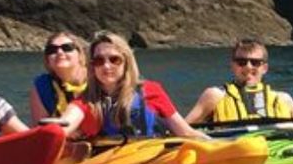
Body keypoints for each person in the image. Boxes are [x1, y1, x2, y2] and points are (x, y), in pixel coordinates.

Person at [50, 31, 205, 139]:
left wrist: (219, 145)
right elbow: (66, 123)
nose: (106, 66)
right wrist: (54, 129)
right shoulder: (84, 102)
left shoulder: (151, 90)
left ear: (126, 62)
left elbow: (185, 132)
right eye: (99, 61)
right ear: (92, 66)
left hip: (152, 158)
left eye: (114, 59)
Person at [184, 38, 293, 125]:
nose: (248, 67)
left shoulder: (284, 99)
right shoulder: (215, 96)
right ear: (233, 66)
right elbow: (183, 130)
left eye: (255, 62)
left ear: (264, 68)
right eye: (241, 62)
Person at [29, 31, 87, 122]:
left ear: (79, 54)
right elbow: (40, 127)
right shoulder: (42, 86)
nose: (59, 52)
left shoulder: (96, 78)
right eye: (52, 50)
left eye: (67, 48)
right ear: (47, 59)